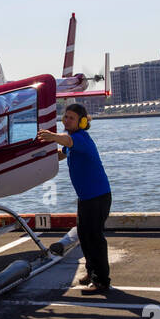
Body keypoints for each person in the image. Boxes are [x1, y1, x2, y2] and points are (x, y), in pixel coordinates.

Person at [37, 103, 112, 294]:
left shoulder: (81, 138)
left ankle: (102, 280)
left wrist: (52, 137)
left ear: (82, 121)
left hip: (98, 197)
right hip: (86, 198)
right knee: (85, 237)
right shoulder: (73, 141)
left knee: (95, 239)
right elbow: (62, 153)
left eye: (71, 117)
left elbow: (67, 142)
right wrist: (39, 156)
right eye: (65, 116)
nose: (67, 120)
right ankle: (91, 272)